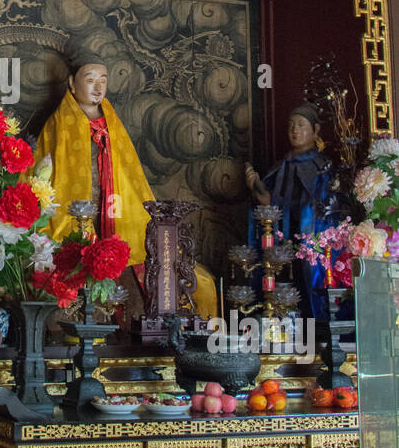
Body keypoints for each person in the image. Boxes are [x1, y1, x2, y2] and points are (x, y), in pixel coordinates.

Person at [35, 54, 216, 315]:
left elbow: (128, 173)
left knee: (132, 259)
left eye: (103, 80)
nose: (97, 87)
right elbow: (45, 174)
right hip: (75, 212)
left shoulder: (112, 122)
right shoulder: (58, 124)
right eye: (90, 80)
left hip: (113, 208)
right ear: (73, 84)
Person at [245, 104, 335, 319]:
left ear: (315, 130)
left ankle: (318, 324)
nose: (295, 131)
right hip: (281, 240)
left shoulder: (323, 167)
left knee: (309, 276)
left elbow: (324, 209)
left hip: (309, 240)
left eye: (301, 125)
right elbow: (270, 205)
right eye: (291, 126)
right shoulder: (280, 167)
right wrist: (260, 195)